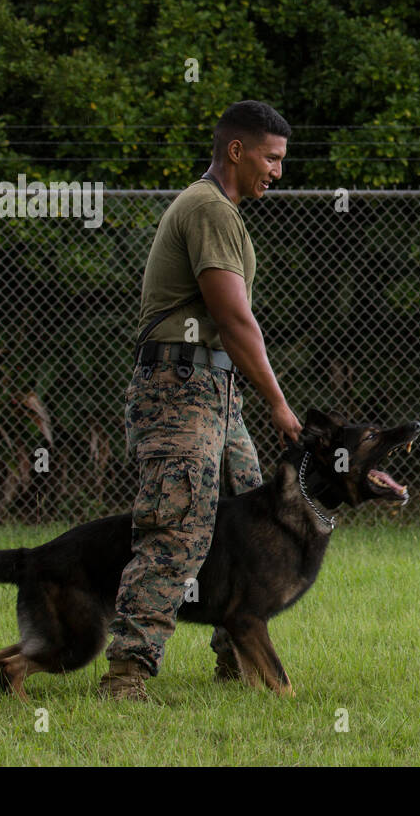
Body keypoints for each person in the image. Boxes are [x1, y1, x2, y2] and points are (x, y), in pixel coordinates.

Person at [100, 100, 304, 700]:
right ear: (236, 151)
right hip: (178, 389)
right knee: (178, 526)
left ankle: (236, 653)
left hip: (215, 390)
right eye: (271, 158)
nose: (278, 172)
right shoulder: (209, 209)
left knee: (250, 521)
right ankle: (126, 673)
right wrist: (279, 405)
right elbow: (233, 319)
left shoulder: (225, 213)